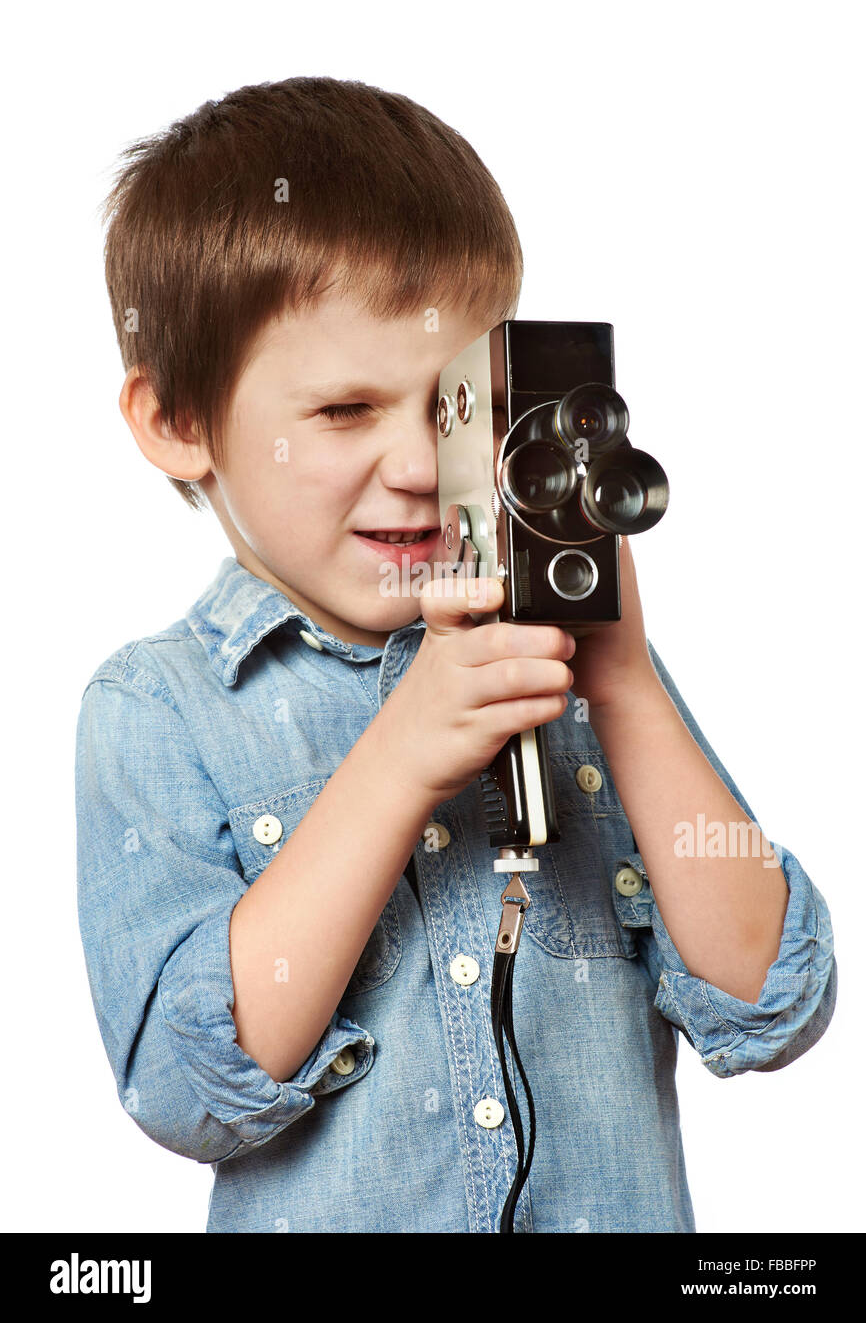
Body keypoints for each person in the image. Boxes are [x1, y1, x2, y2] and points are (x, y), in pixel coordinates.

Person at [75, 76, 836, 1234]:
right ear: (179, 421)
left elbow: (764, 997)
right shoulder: (160, 707)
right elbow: (192, 1089)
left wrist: (621, 675)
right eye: (342, 411)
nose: (421, 467)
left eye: (453, 406)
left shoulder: (570, 664)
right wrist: (399, 760)